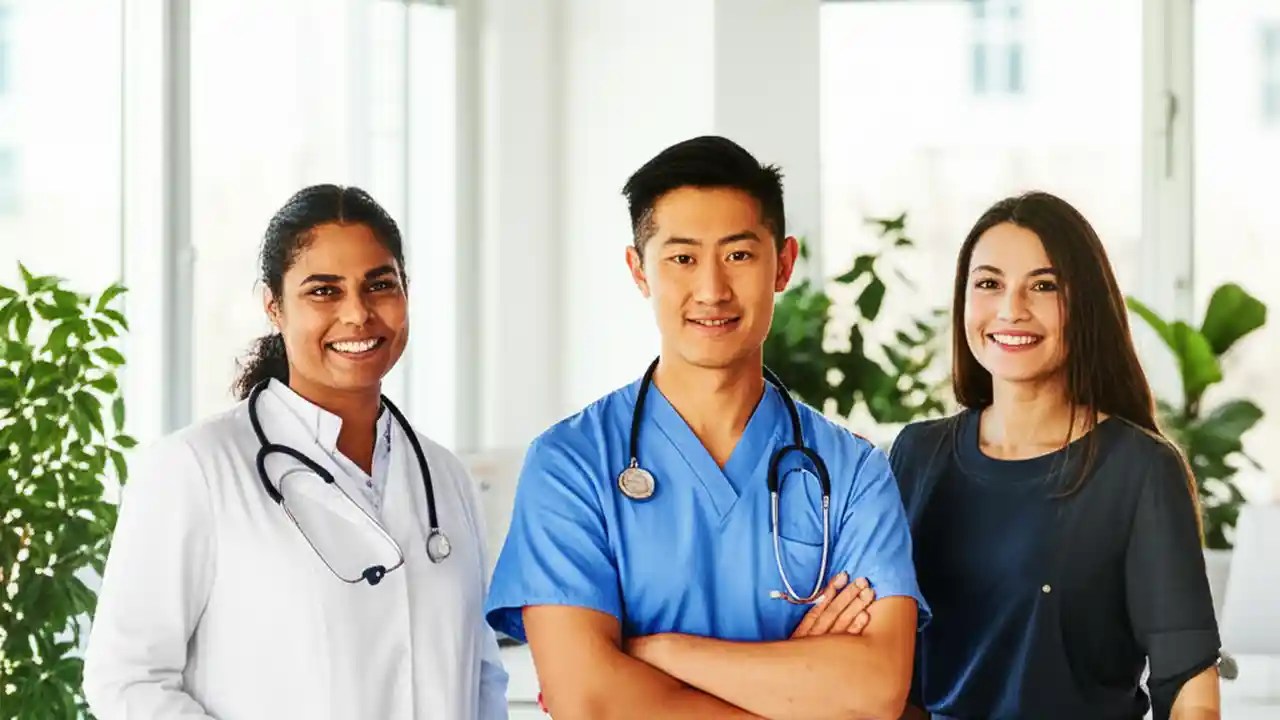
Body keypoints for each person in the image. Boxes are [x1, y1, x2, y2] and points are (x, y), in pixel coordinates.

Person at [484, 136, 927, 719]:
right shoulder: (571, 463)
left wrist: (658, 652)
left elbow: (872, 693)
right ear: (639, 270)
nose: (713, 289)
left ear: (784, 264)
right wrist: (798, 696)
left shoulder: (851, 473)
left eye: (739, 255)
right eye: (682, 258)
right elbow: (589, 700)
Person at [83, 184, 508, 719]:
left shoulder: (444, 477)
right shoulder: (195, 469)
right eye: (323, 291)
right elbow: (126, 681)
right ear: (273, 306)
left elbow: (483, 680)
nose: (358, 314)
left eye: (380, 285)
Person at [891, 191, 1222, 720]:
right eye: (989, 284)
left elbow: (1189, 691)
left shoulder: (1139, 470)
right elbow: (890, 673)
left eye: (1044, 286)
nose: (1011, 309)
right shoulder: (916, 454)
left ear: (1085, 304)